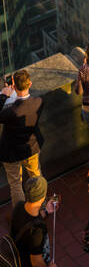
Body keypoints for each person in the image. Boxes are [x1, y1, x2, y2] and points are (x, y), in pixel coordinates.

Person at [11, 174, 56, 267]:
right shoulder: (37, 230)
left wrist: (46, 212)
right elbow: (36, 262)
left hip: (21, 264)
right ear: (42, 197)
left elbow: (29, 219)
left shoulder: (19, 207)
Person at [0, 69, 44, 209]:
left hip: (11, 152)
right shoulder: (39, 102)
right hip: (31, 147)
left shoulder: (9, 112)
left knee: (16, 184)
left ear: (13, 85)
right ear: (30, 83)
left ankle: (20, 214)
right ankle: (41, 206)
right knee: (36, 176)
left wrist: (3, 95)